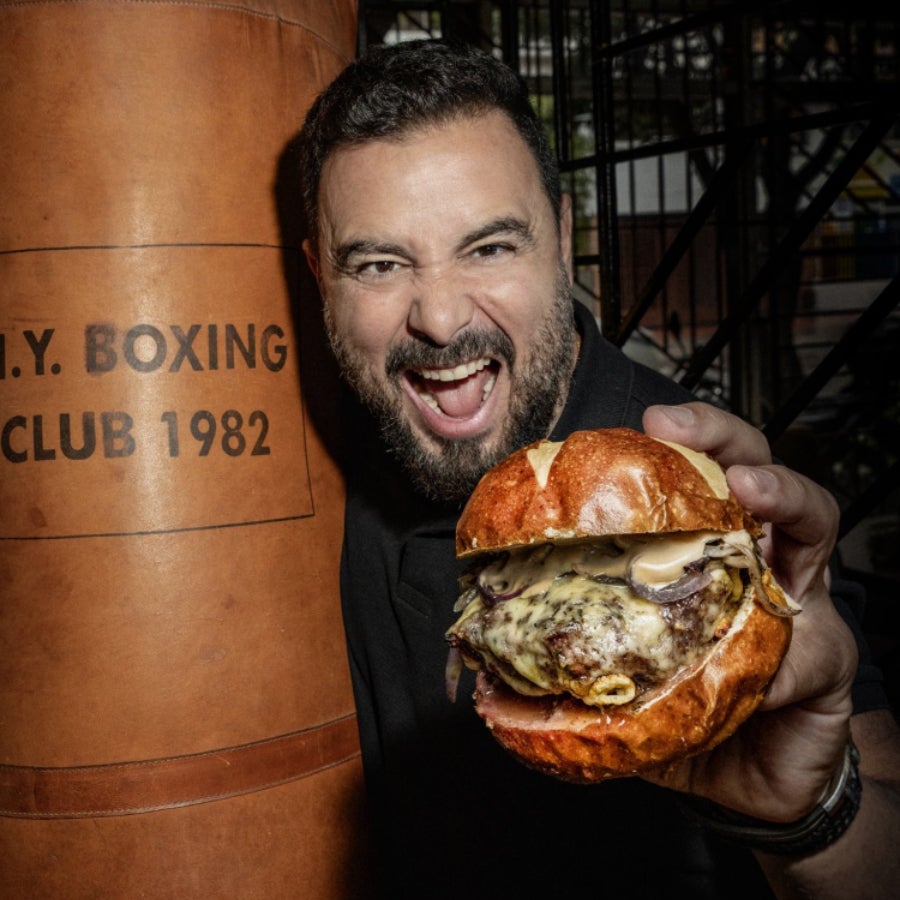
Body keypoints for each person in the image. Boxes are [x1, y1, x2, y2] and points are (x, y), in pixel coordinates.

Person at [296, 39, 899, 899]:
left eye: (491, 247)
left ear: (564, 238)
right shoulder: (332, 445)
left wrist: (809, 815)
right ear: (321, 276)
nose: (437, 318)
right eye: (380, 264)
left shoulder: (705, 489)